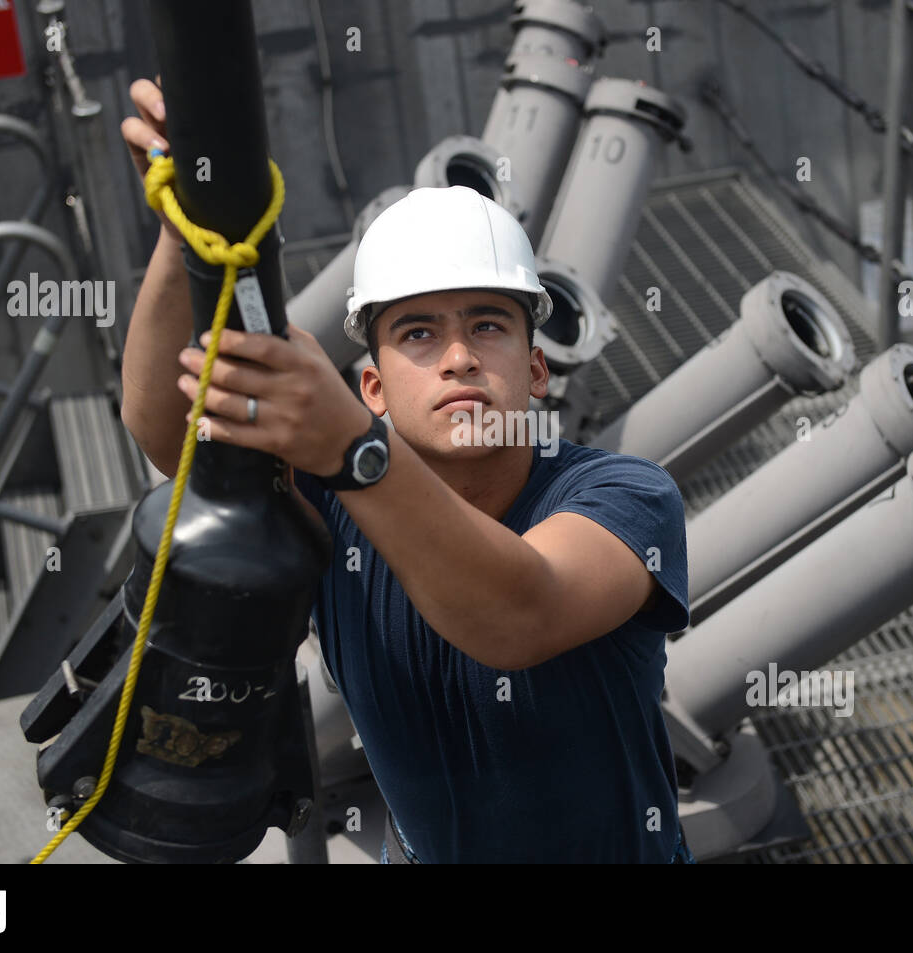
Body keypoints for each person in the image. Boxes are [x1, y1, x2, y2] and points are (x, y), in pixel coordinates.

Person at [120, 78, 695, 863]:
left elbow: (520, 611)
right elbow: (166, 428)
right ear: (375, 388)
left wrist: (355, 450)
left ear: (536, 371)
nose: (458, 356)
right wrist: (180, 231)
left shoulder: (626, 499)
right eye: (418, 333)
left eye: (487, 324)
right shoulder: (331, 501)